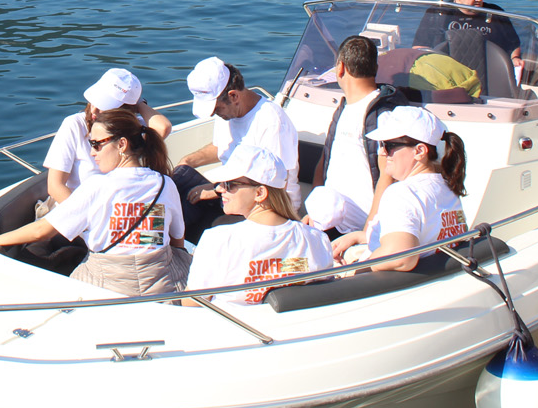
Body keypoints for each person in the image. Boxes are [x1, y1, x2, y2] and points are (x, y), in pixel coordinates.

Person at [0, 109, 188, 296]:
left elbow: (41, 231)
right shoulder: (164, 183)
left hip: (108, 283)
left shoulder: (95, 187)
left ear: (122, 144)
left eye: (97, 144)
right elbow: (177, 240)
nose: (92, 153)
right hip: (162, 282)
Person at [172, 57, 301, 241]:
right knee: (174, 191)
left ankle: (169, 253)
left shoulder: (272, 122)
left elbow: (276, 183)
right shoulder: (228, 113)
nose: (215, 114)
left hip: (264, 205)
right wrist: (189, 161)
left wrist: (217, 189)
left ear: (233, 96)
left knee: (199, 224)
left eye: (216, 109)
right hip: (231, 191)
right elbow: (221, 147)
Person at [185, 146, 332, 306]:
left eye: (229, 184)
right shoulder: (317, 239)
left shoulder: (218, 240)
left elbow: (191, 303)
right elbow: (282, 268)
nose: (220, 189)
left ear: (260, 193)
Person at [330, 107, 468, 272]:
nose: (382, 152)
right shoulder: (447, 186)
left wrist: (355, 269)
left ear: (419, 151)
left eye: (389, 146)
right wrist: (361, 237)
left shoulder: (402, 193)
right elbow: (425, 233)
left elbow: (401, 257)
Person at [303, 35, 411, 234]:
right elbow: (326, 157)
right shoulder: (344, 107)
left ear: (341, 68)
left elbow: (388, 176)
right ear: (375, 69)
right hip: (328, 221)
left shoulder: (381, 115)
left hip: (361, 227)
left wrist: (369, 229)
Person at [43, 68, 173, 207]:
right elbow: (55, 186)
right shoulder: (75, 125)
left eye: (103, 105)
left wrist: (138, 103)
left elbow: (163, 127)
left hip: (118, 215)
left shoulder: (133, 130)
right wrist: (89, 221)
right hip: (75, 211)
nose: (94, 110)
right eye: (94, 101)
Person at [412, 0, 522, 63]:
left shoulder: (495, 13)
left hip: (490, 71)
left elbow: (513, 45)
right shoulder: (438, 13)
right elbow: (420, 47)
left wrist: (515, 58)